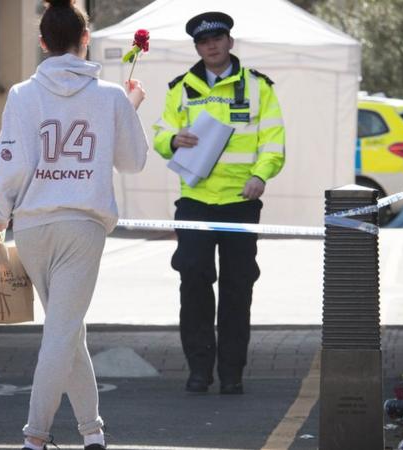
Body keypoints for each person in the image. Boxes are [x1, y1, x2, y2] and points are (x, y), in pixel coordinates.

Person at [0, 0, 148, 448]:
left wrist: (0, 213)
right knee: (61, 334)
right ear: (85, 39)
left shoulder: (21, 94)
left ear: (42, 43)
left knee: (68, 332)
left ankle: (92, 432)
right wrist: (130, 107)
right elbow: (133, 161)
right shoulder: (110, 96)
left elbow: (12, 164)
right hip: (82, 225)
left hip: (32, 228)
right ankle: (34, 438)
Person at [153, 11, 286, 395]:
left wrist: (261, 175)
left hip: (241, 201)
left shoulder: (259, 87)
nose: (211, 46)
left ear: (230, 42)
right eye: (203, 42)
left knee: (237, 287)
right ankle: (199, 369)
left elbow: (273, 140)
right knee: (193, 280)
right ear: (197, 48)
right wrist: (172, 140)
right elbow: (160, 133)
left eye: (217, 39)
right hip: (195, 200)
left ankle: (232, 373)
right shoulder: (181, 87)